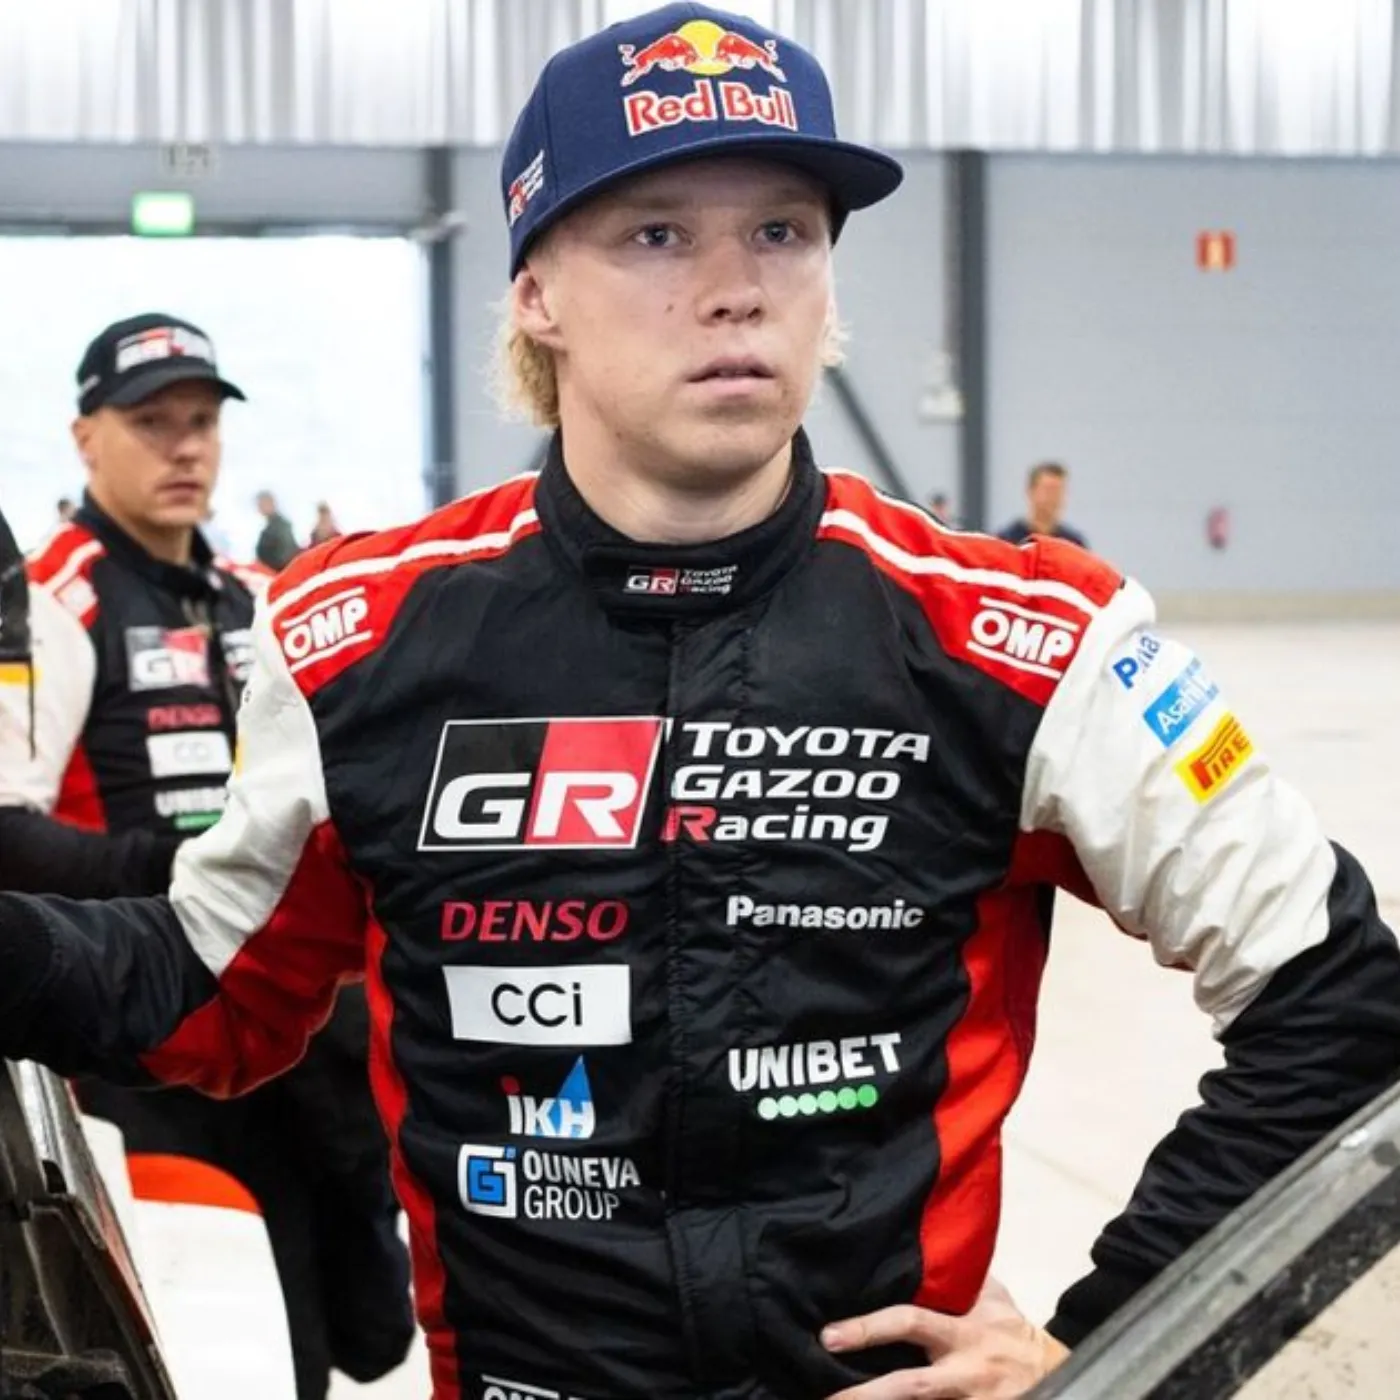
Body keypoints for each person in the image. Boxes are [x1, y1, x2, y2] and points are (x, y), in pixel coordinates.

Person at [0, 9, 1396, 1399]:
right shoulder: (353, 637)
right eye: (659, 234)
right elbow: (211, 990)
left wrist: (1112, 1340)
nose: (736, 289)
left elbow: (1337, 994)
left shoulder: (1030, 637)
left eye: (781, 231)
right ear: (535, 294)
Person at [0, 313, 412, 1399]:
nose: (184, 447)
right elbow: (7, 831)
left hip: (286, 1033)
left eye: (200, 422)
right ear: (86, 437)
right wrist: (202, 874)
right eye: (152, 423)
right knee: (205, 1344)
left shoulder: (260, 594)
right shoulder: (53, 597)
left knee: (327, 1329)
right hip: (142, 1040)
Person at [997, 461, 1088, 547]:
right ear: (1030, 491)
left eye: (1059, 491)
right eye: (1049, 490)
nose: (1054, 498)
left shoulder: (1073, 544)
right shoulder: (1006, 541)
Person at [255, 489, 300, 570]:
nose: (260, 507)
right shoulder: (269, 528)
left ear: (272, 503)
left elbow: (288, 555)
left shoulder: (282, 526)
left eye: (262, 504)